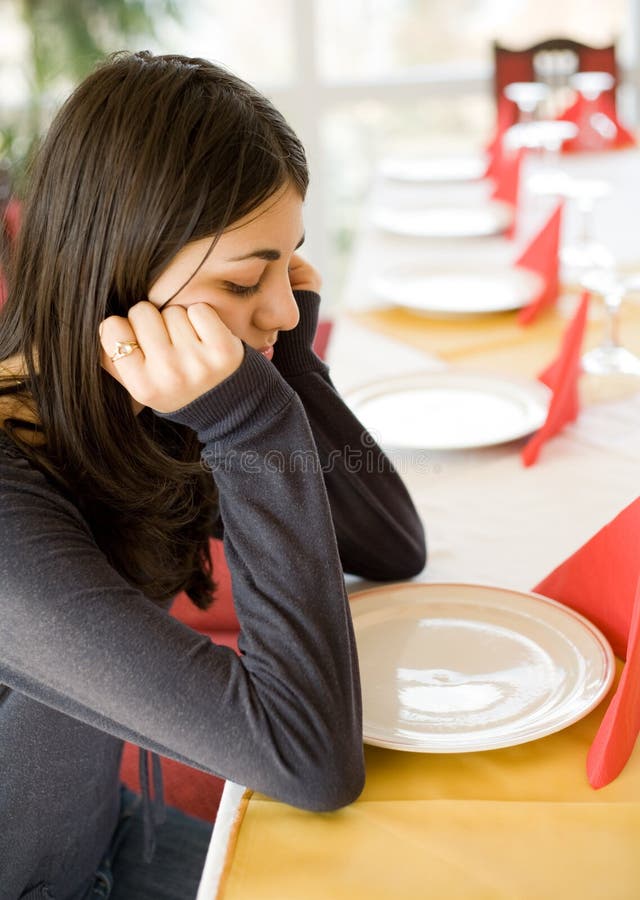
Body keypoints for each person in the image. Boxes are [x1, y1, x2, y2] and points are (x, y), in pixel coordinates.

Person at [0, 51, 426, 900]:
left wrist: (290, 358)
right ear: (117, 272)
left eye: (287, 264)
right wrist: (254, 422)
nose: (279, 303)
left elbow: (387, 544)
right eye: (243, 278)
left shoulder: (129, 398)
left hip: (110, 841)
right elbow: (308, 761)